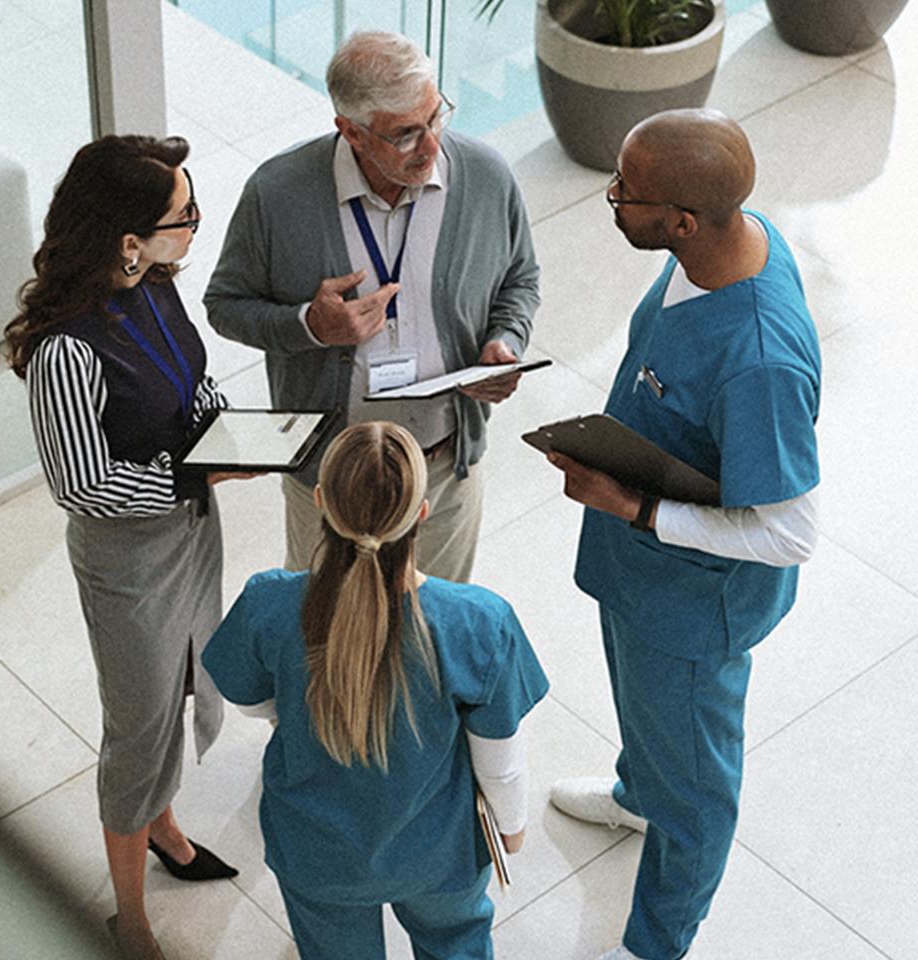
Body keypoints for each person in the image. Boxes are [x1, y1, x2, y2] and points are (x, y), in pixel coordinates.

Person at [545, 109, 822, 960]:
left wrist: (637, 511)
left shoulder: (762, 356)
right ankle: (639, 791)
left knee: (696, 796)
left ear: (684, 220)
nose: (611, 197)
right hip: (641, 570)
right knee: (643, 714)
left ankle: (654, 942)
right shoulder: (719, 246)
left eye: (625, 191)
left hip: (692, 606)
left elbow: (791, 531)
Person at [4, 135, 252, 960]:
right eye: (185, 215)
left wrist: (229, 433)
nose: (196, 226)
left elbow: (191, 379)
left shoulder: (154, 287)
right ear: (128, 238)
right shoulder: (65, 351)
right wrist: (193, 479)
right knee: (138, 724)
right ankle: (132, 916)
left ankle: (166, 828)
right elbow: (82, 484)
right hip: (131, 559)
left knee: (183, 680)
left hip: (189, 531)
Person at [203, 421, 549, 960]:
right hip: (440, 854)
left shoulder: (267, 605)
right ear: (423, 513)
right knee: (455, 945)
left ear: (320, 503)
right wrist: (512, 827)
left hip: (318, 854)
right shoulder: (480, 623)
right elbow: (499, 760)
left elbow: (249, 702)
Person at [204, 30, 541, 582]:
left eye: (436, 117)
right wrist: (309, 326)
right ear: (351, 132)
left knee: (432, 632)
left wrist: (505, 341)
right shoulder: (277, 193)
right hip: (327, 473)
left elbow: (520, 278)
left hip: (443, 467)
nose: (431, 146)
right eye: (406, 134)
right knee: (323, 631)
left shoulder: (484, 175)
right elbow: (225, 305)